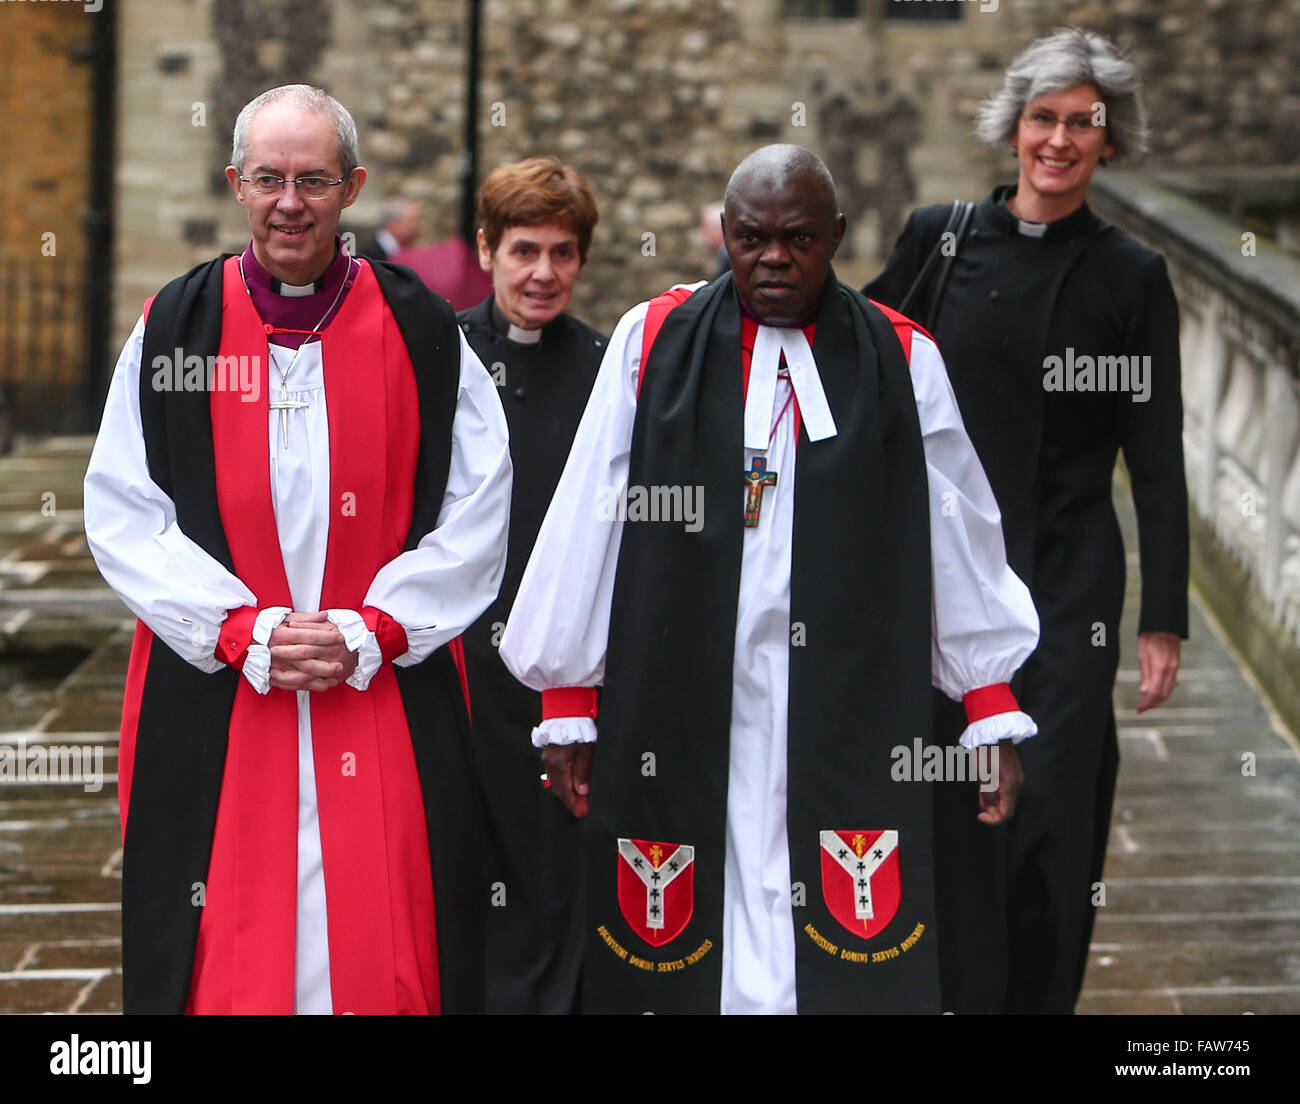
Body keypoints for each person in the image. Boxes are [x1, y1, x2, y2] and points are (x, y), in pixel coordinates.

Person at [500, 144, 1041, 1014]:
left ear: (834, 237)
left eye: (798, 237)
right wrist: (566, 693)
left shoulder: (904, 360)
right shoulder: (651, 344)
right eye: (752, 237)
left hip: (844, 697)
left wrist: (988, 702)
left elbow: (961, 535)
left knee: (824, 902)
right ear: (726, 234)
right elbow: (588, 515)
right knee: (692, 895)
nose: (774, 258)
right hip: (687, 689)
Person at [83, 84, 512, 1015]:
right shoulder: (176, 329)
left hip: (378, 684)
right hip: (223, 688)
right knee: (222, 946)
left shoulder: (421, 328)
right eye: (270, 178)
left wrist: (378, 627)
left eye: (314, 180)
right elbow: (124, 509)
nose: (291, 202)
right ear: (236, 182)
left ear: (351, 187)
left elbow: (481, 501)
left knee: (395, 929)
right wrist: (239, 625)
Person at [864, 28, 1189, 1013]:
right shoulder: (939, 238)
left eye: (1080, 124)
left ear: (1107, 140)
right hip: (942, 576)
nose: (1057, 140)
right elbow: (854, 358)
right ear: (1013, 128)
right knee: (949, 799)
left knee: (1048, 809)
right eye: (1042, 119)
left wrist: (1161, 614)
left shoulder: (1133, 276)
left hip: (1065, 580)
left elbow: (1159, 455)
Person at [457, 157, 606, 1013]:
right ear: (487, 250)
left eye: (562, 252)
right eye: (523, 251)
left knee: (556, 878)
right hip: (456, 672)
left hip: (562, 673)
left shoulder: (606, 372)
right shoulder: (439, 357)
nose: (543, 273)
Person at [354, 195, 420, 260]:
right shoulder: (370, 255)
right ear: (393, 223)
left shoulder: (400, 250)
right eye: (411, 221)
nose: (415, 226)